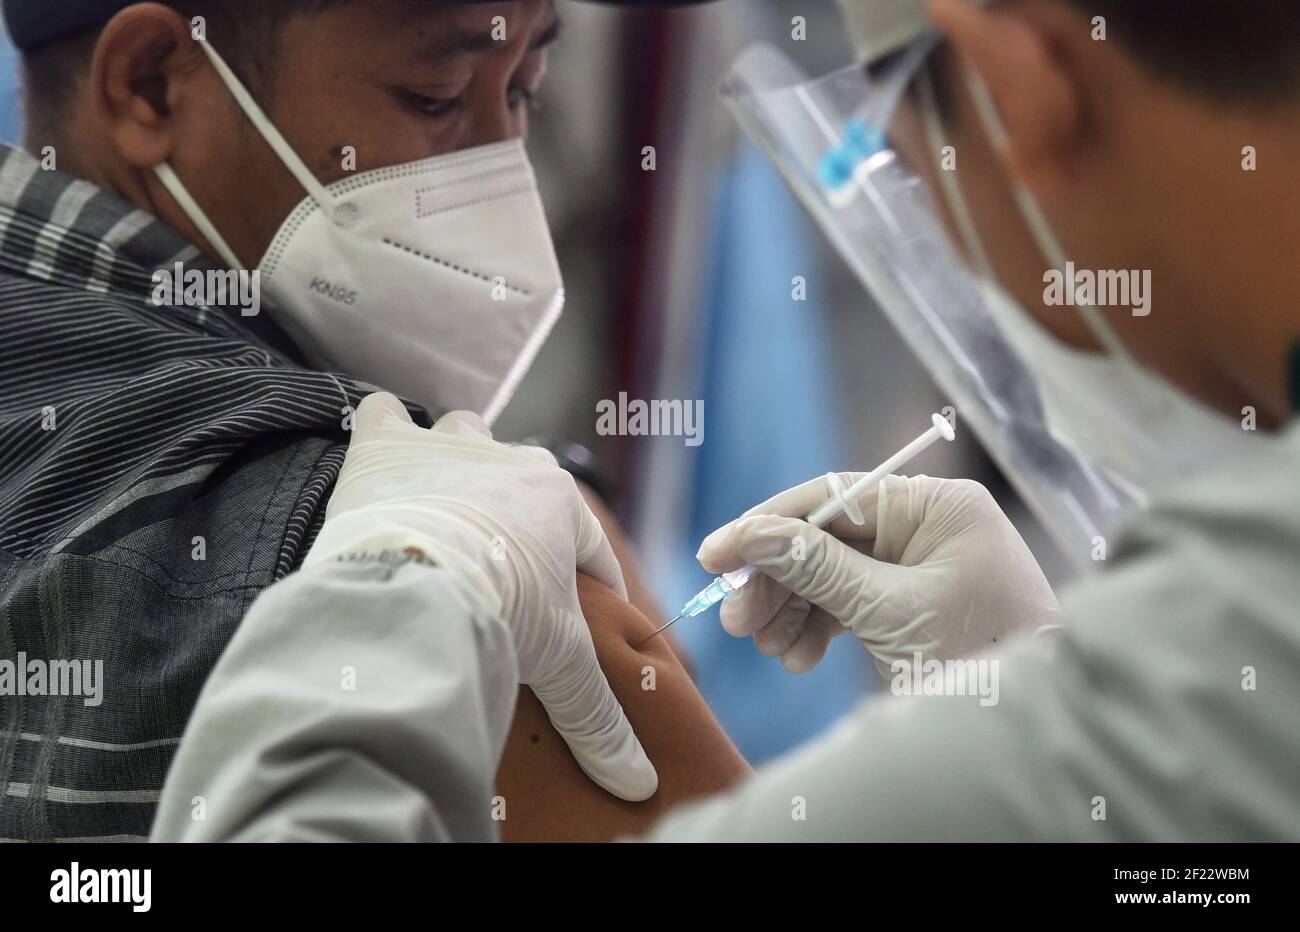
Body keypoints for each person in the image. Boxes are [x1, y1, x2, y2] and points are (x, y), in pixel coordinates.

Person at [151, 0, 1300, 842]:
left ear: (1022, 85)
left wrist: (391, 584)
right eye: (441, 98)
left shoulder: (1222, 648)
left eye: (905, 170)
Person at [0, 0, 744, 843]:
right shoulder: (481, 584)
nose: (504, 179)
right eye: (436, 97)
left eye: (524, 92)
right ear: (152, 84)